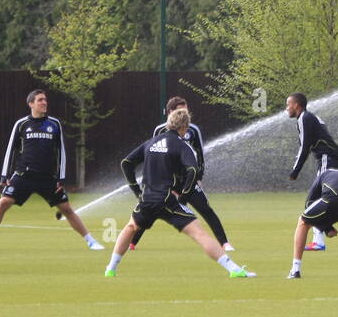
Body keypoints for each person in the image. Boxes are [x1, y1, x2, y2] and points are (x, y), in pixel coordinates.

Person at [105, 107, 255, 278]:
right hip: (168, 200)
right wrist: (184, 195)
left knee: (131, 227)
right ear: (185, 127)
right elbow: (193, 169)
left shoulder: (151, 142)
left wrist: (136, 190)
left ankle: (111, 268)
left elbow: (126, 163)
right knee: (199, 234)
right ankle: (234, 270)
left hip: (147, 200)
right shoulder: (181, 145)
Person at [0, 89, 103, 252]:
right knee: (3, 203)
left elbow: (61, 151)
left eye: (45, 100)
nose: (44, 102)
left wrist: (62, 177)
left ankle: (91, 241)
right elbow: (11, 150)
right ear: (31, 104)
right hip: (24, 175)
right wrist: (4, 175)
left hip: (47, 178)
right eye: (40, 100)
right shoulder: (22, 124)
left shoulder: (54, 124)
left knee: (66, 209)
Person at [130, 97, 234, 253]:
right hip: (166, 182)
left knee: (206, 209)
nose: (185, 114)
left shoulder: (193, 130)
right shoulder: (159, 130)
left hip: (187, 180)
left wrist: (199, 177)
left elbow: (199, 154)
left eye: (186, 110)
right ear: (171, 112)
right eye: (181, 111)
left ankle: (224, 243)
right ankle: (132, 243)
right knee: (149, 210)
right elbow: (153, 155)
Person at [286, 92, 338, 252]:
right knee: (317, 199)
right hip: (330, 159)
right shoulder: (307, 117)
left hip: (328, 159)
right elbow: (307, 146)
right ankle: (325, 231)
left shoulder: (304, 118)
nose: (287, 108)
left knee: (314, 200)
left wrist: (295, 171)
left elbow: (304, 147)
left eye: (288, 104)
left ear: (296, 105)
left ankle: (325, 232)